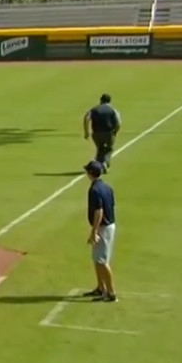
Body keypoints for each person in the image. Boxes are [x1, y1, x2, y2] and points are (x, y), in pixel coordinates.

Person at [81, 161, 117, 302]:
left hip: (103, 227)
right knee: (97, 259)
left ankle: (111, 293)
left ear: (90, 173)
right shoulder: (107, 187)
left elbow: (99, 212)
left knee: (102, 261)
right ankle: (101, 288)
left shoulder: (94, 190)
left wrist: (94, 232)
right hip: (108, 225)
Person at [83, 94, 121, 172]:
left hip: (96, 133)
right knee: (109, 149)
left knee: (100, 149)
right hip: (108, 133)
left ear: (101, 100)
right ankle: (104, 163)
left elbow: (86, 118)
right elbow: (118, 122)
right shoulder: (113, 110)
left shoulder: (94, 109)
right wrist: (115, 131)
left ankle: (94, 166)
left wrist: (87, 132)